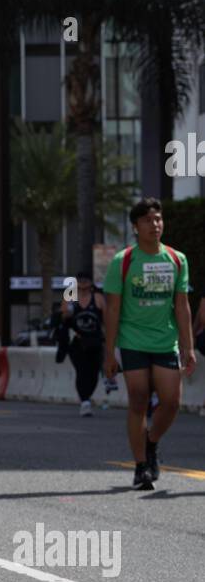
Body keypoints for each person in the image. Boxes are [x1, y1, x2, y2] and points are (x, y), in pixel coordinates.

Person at [103, 197, 196, 490]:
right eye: (147, 220)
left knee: (171, 402)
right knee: (139, 399)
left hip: (165, 342)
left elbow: (182, 306)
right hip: (132, 341)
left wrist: (188, 346)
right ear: (135, 226)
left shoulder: (177, 259)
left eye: (158, 219)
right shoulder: (123, 261)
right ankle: (141, 466)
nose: (154, 225)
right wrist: (109, 352)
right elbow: (113, 309)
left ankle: (151, 441)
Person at [59, 272, 106, 416]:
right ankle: (85, 401)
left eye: (86, 281)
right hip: (77, 342)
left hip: (95, 342)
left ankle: (87, 396)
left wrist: (109, 339)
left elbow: (106, 319)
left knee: (93, 373)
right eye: (81, 281)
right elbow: (62, 315)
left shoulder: (97, 298)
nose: (83, 284)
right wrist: (67, 312)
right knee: (81, 371)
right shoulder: (71, 295)